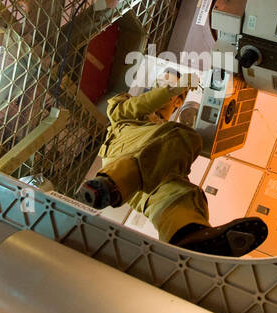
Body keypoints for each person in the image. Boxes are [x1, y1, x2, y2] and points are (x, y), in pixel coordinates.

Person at [79, 78, 267, 256]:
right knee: (181, 137)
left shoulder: (163, 139)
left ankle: (187, 236)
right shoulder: (128, 109)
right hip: (123, 150)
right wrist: (173, 89)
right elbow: (132, 107)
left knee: (179, 194)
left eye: (177, 95)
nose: (173, 96)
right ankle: (111, 184)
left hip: (134, 189)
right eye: (162, 85)